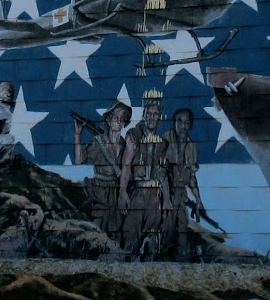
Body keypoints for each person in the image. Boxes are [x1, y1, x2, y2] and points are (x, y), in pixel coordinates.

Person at [119, 89, 168, 260]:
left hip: (155, 196)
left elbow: (162, 174)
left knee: (150, 241)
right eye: (149, 114)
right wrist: (123, 191)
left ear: (159, 117)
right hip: (138, 194)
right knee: (131, 237)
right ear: (144, 114)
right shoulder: (134, 135)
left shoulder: (162, 143)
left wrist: (167, 199)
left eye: (156, 114)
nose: (152, 117)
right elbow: (126, 164)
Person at [75, 101, 131, 241]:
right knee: (97, 231)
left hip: (117, 192)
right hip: (99, 192)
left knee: (116, 231)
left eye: (123, 118)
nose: (119, 121)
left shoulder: (125, 145)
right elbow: (79, 160)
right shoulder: (98, 141)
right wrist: (77, 136)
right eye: (116, 117)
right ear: (108, 119)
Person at [161, 108, 203, 261]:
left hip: (181, 197)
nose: (184, 126)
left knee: (182, 235)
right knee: (165, 233)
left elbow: (191, 177)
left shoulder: (191, 147)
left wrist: (198, 200)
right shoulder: (165, 140)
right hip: (163, 195)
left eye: (187, 122)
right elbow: (161, 173)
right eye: (180, 121)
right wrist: (166, 199)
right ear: (174, 123)